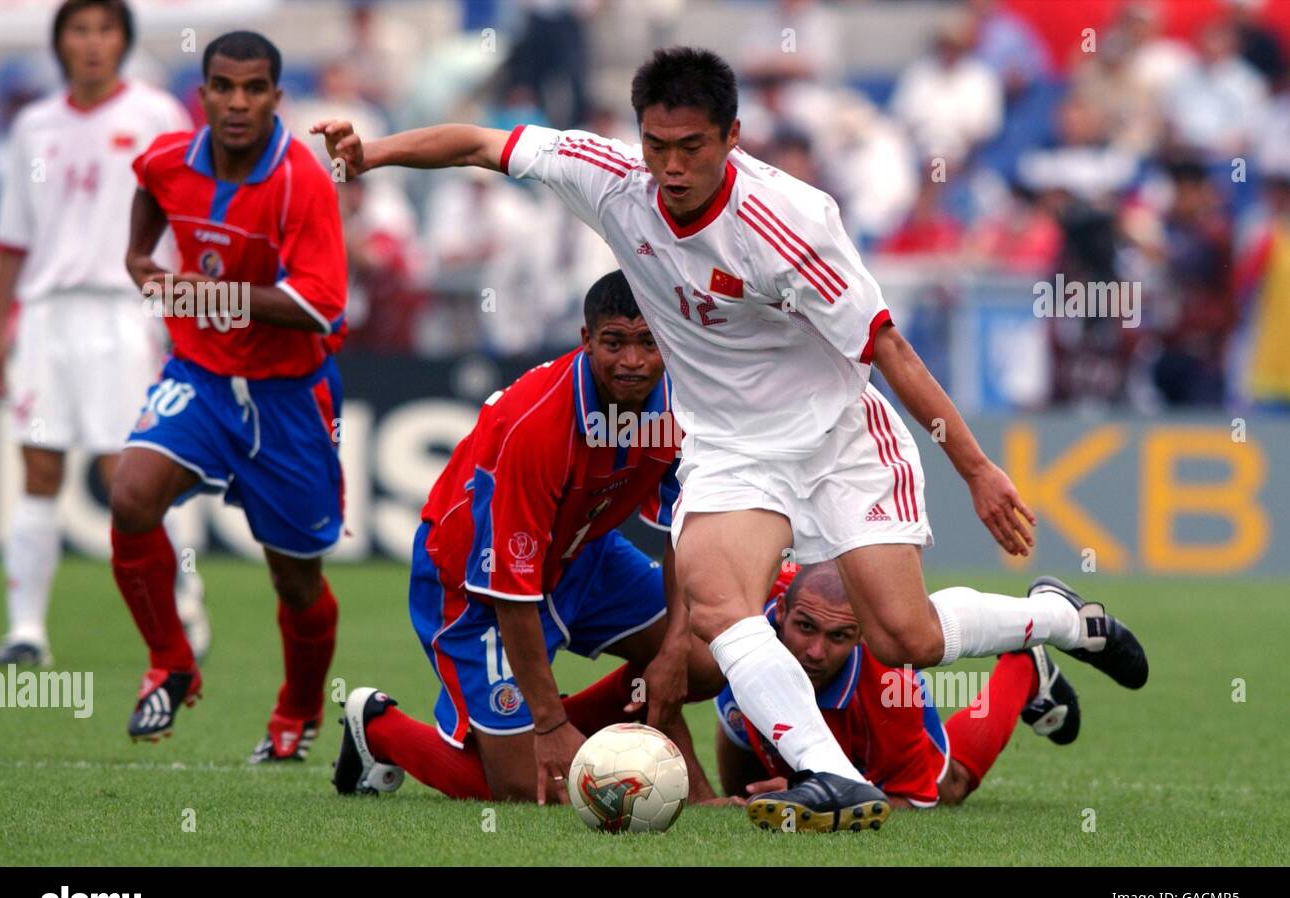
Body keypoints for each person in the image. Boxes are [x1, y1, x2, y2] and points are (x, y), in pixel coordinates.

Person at [314, 46, 1147, 833]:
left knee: (907, 639)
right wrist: (374, 150)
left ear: (733, 138)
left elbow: (886, 346)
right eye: (656, 145)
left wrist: (977, 469)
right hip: (730, 447)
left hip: (837, 436)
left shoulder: (791, 221)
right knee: (718, 610)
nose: (670, 168)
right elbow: (480, 143)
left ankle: (1056, 621)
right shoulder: (610, 180)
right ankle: (834, 779)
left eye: (692, 148)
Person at [333, 271, 724, 804]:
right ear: (586, 341)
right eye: (614, 343)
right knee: (525, 789)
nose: (632, 361)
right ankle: (378, 727)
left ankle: (551, 721)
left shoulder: (683, 402)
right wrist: (548, 724)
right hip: (474, 587)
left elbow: (690, 525)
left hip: (585, 555)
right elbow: (509, 588)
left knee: (705, 660)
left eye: (648, 342)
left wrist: (675, 645)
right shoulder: (537, 425)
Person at [111, 31, 348, 762]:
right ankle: (172, 661)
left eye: (253, 89)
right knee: (130, 498)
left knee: (296, 579)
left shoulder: (299, 179)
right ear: (204, 92)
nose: (237, 102)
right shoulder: (171, 158)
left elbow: (323, 306)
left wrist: (211, 293)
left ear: (277, 96)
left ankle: (297, 713)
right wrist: (139, 259)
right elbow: (149, 184)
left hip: (287, 398)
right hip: (201, 377)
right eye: (223, 86)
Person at [0, 0, 205, 667]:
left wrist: (187, 308)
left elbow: (191, 214)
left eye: (104, 30)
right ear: (60, 44)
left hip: (124, 310)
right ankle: (26, 632)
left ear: (122, 41)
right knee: (38, 465)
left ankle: (183, 602)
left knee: (129, 474)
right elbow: (14, 238)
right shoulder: (34, 125)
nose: (91, 43)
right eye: (78, 30)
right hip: (48, 311)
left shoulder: (155, 116)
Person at [716, 562, 1085, 815]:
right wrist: (705, 797)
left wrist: (808, 792)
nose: (815, 651)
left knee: (949, 786)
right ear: (780, 610)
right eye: (806, 627)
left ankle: (1024, 666)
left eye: (838, 636)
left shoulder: (893, 691)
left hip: (886, 706)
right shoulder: (743, 633)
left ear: (860, 636)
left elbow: (912, 799)